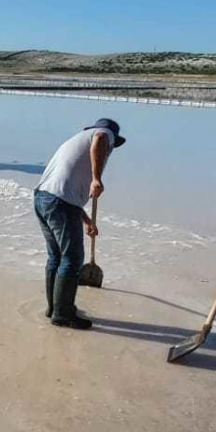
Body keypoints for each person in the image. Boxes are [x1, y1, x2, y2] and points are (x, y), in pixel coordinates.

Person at [34, 118, 125, 329]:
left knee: (56, 256)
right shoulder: (103, 133)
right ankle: (63, 313)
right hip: (59, 203)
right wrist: (96, 178)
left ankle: (55, 308)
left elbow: (64, 192)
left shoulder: (75, 141)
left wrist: (86, 220)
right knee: (72, 258)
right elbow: (101, 138)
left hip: (43, 199)